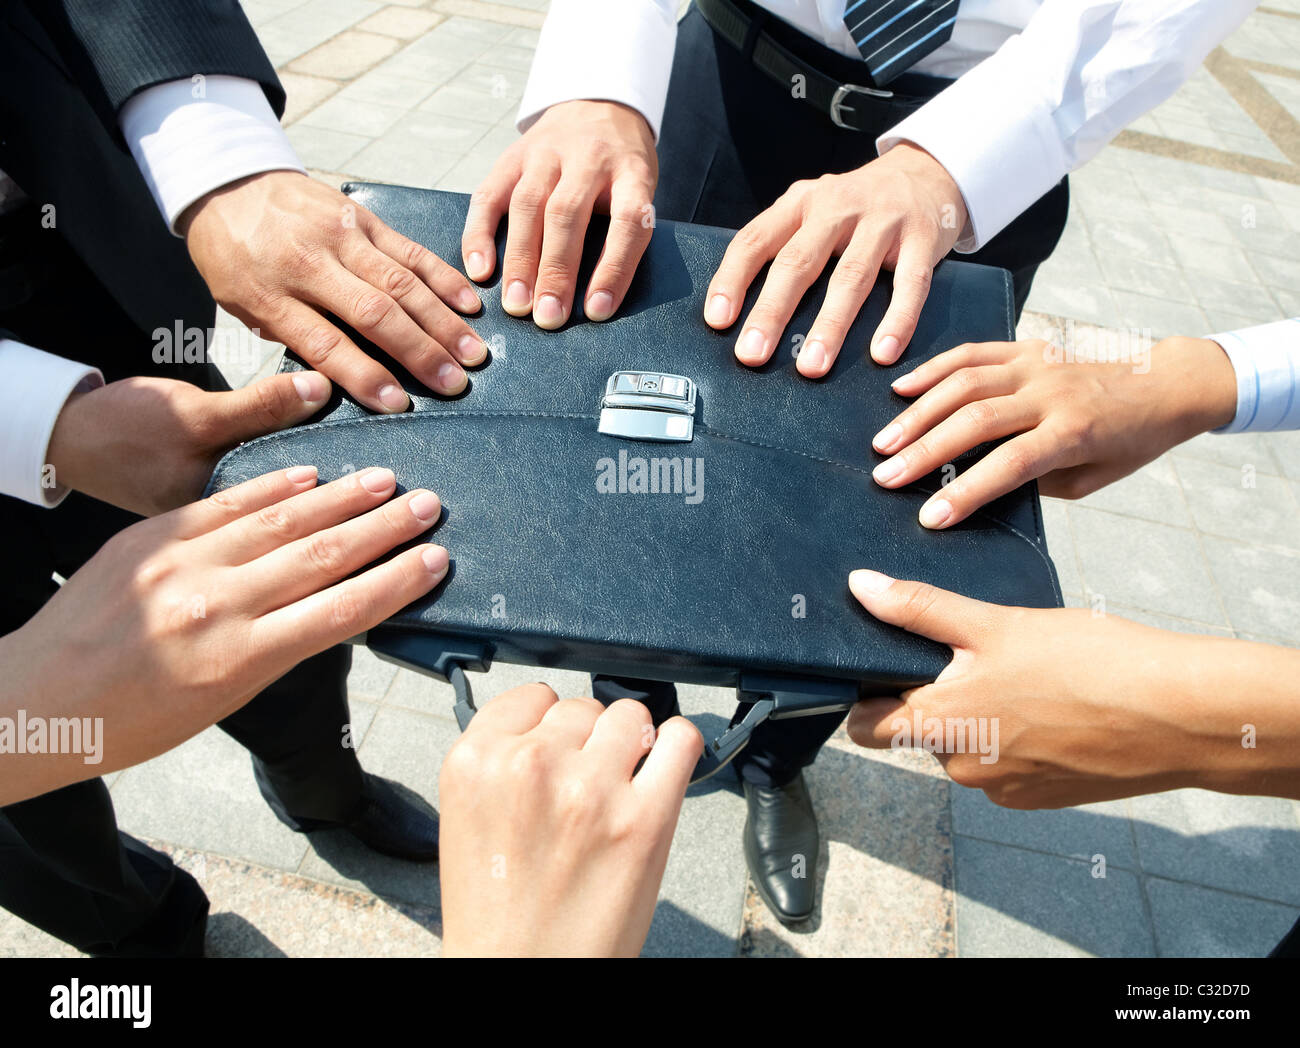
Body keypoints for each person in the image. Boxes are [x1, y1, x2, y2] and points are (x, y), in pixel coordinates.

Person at [463, 0, 1259, 924]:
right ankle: (633, 711)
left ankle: (774, 759)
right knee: (638, 461)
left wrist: (944, 167)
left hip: (990, 138)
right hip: (725, 89)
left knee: (861, 534)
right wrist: (595, 84)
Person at [0, 0, 482, 958]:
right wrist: (36, 418)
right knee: (27, 776)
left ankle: (323, 789)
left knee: (287, 588)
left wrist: (227, 164)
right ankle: (146, 931)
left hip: (72, 273)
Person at [0, 468, 450, 808]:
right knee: (48, 830)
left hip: (106, 399)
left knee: (285, 648)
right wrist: (23, 714)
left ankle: (329, 805)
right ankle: (129, 919)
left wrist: (49, 409)